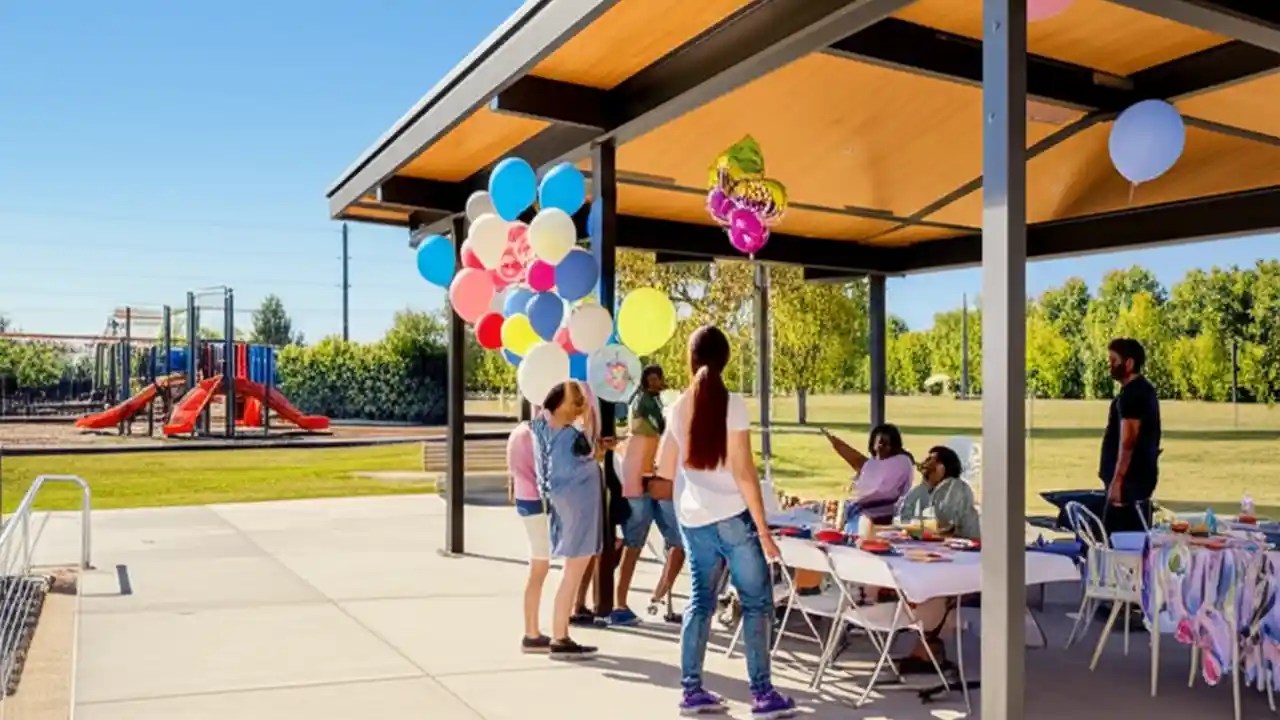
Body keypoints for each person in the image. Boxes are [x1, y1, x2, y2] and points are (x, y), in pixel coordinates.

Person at [657, 325, 796, 718]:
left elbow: (665, 470)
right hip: (733, 520)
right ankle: (763, 695)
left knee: (699, 603)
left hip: (694, 520)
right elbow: (744, 472)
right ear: (725, 359)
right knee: (755, 602)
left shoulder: (675, 407)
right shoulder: (733, 403)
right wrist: (765, 531)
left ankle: (691, 692)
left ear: (692, 359)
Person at [530, 380, 612, 658]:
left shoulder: (546, 431)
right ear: (559, 405)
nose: (579, 403)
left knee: (571, 573)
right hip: (578, 509)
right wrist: (588, 416)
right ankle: (560, 636)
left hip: (569, 507)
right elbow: (585, 456)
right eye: (574, 399)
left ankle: (560, 633)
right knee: (572, 574)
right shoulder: (566, 435)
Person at [893, 445, 978, 675]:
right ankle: (928, 643)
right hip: (932, 552)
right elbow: (904, 517)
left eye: (931, 459)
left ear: (942, 465)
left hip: (964, 555)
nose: (925, 462)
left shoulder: (956, 489)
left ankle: (928, 646)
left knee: (937, 585)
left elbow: (945, 525)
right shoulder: (922, 490)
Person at [613, 364, 685, 626]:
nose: (657, 383)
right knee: (636, 543)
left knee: (674, 543)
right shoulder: (645, 406)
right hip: (643, 481)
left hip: (656, 478)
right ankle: (620, 602)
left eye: (659, 378)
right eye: (652, 379)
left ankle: (657, 598)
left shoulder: (658, 406)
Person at [1099, 338, 1161, 533]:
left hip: (1129, 484)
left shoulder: (1132, 396)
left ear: (1129, 363)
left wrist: (1118, 481)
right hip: (1137, 481)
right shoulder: (1143, 390)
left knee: (1116, 539)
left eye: (1114, 360)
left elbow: (1128, 441)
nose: (1110, 365)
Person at [508, 417, 552, 653]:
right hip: (536, 501)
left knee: (537, 565)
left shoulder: (518, 432)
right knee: (539, 567)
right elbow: (545, 471)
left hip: (524, 499)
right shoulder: (537, 434)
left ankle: (532, 630)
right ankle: (531, 632)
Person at [823, 424, 914, 535]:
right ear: (873, 443)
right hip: (862, 508)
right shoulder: (871, 463)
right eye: (880, 442)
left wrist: (858, 500)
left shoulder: (901, 462)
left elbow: (884, 492)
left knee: (853, 525)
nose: (883, 447)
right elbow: (861, 487)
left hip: (884, 512)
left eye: (887, 444)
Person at [899, 446, 980, 540]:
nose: (924, 464)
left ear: (941, 467)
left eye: (929, 460)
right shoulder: (924, 490)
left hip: (965, 546)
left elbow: (948, 528)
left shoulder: (955, 489)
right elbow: (905, 518)